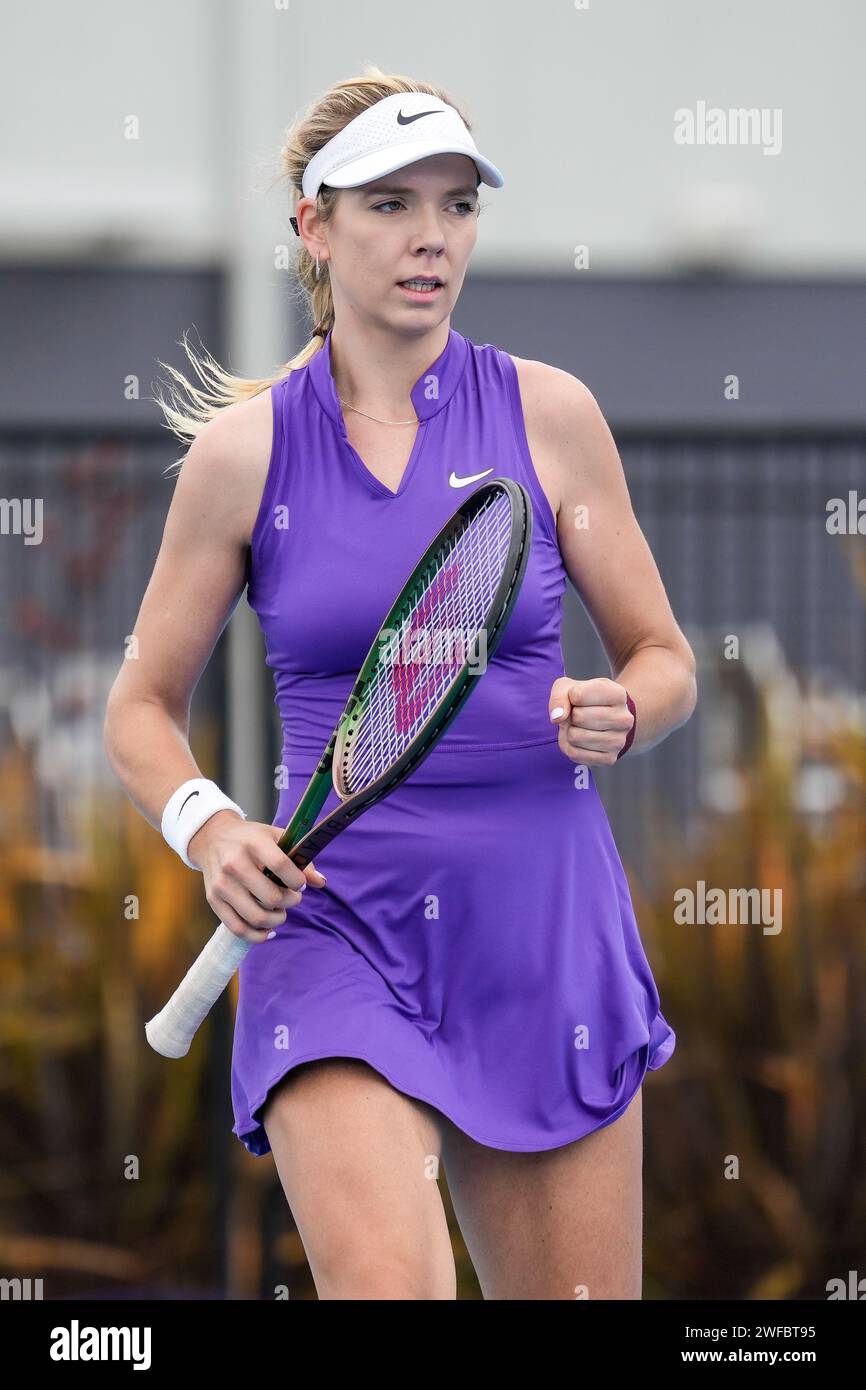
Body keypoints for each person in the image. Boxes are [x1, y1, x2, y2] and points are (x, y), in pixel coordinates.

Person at [104, 66, 697, 1300]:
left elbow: (665, 656)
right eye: (389, 203)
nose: (431, 235)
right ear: (315, 227)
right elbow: (139, 706)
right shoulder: (243, 454)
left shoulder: (551, 415)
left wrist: (626, 705)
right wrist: (209, 830)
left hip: (543, 934)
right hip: (333, 934)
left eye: (456, 202)